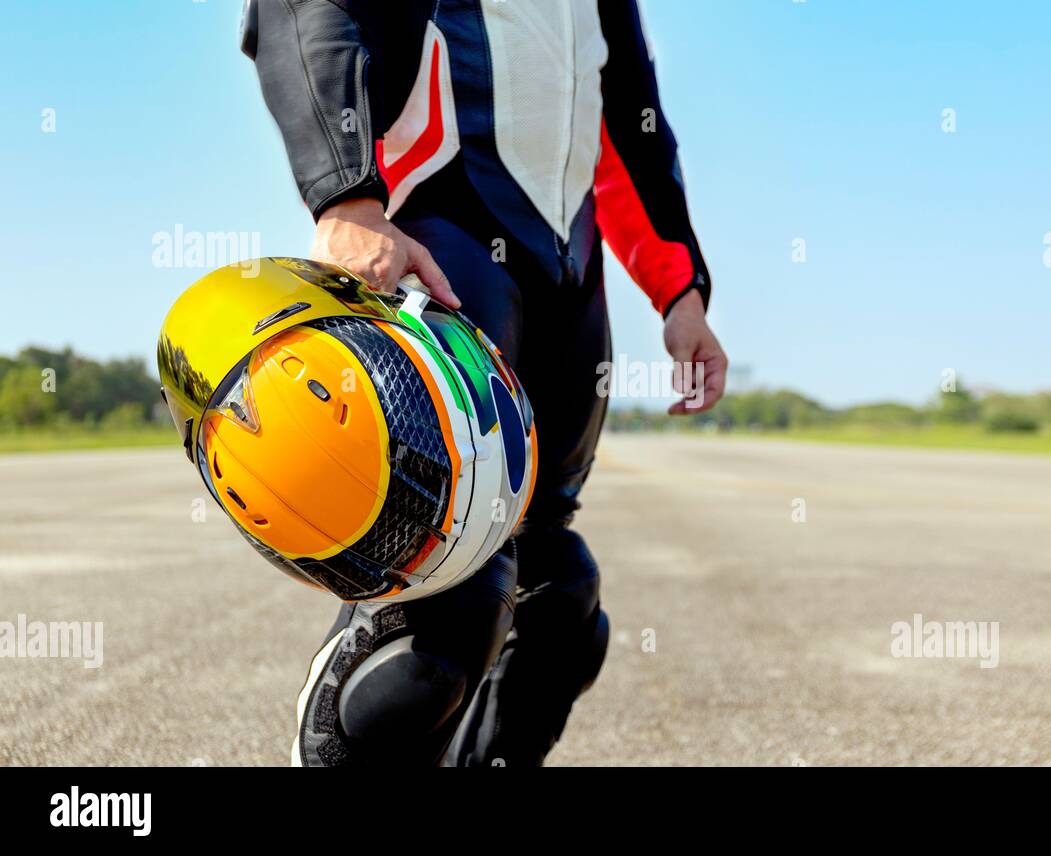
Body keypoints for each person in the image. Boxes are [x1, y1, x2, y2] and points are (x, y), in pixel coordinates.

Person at [242, 0, 726, 766]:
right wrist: (346, 198)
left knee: (557, 595)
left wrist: (681, 293)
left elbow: (631, 120)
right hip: (444, 232)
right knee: (443, 599)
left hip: (567, 273)